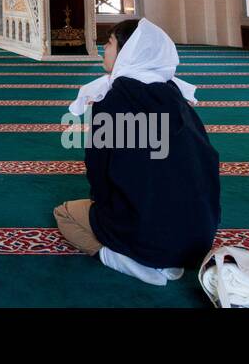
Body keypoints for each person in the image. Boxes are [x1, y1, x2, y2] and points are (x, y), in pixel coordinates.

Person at [54, 18, 221, 285]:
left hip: (147, 235)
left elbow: (99, 175)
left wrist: (106, 213)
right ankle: (160, 254)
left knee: (65, 214)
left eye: (108, 44)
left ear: (127, 52)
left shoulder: (112, 101)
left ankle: (132, 262)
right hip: (200, 237)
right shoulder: (175, 94)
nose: (103, 50)